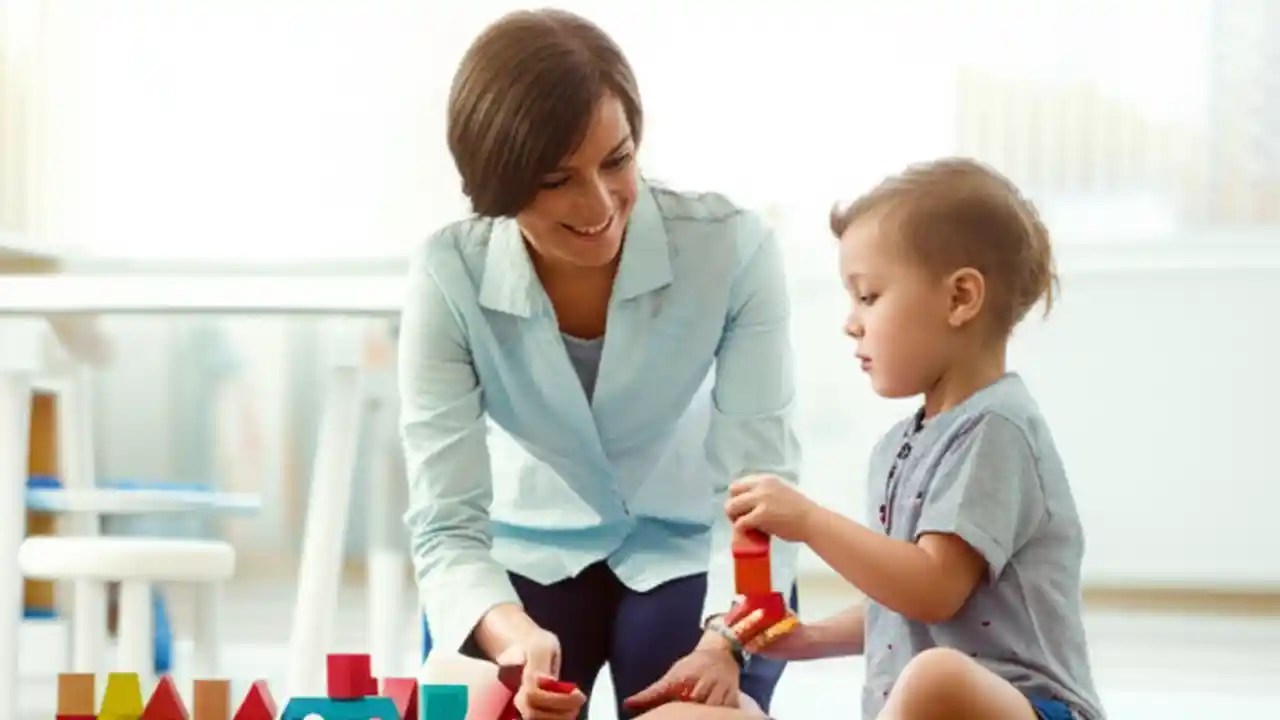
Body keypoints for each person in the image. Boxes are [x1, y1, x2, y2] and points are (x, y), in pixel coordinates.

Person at [397, 8, 800, 720]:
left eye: (617, 161)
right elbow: (445, 523)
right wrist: (514, 637)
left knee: (693, 710)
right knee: (496, 704)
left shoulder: (732, 248)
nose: (598, 205)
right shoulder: (448, 275)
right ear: (498, 179)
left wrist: (724, 641)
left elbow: (760, 490)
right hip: (526, 552)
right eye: (557, 179)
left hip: (693, 550)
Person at [639, 158, 1106, 720]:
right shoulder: (902, 444)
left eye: (868, 296)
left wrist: (809, 521)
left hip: (1031, 709)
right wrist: (809, 639)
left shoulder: (996, 429)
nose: (851, 322)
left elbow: (932, 589)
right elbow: (902, 604)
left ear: (960, 298)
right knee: (694, 714)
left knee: (936, 677)